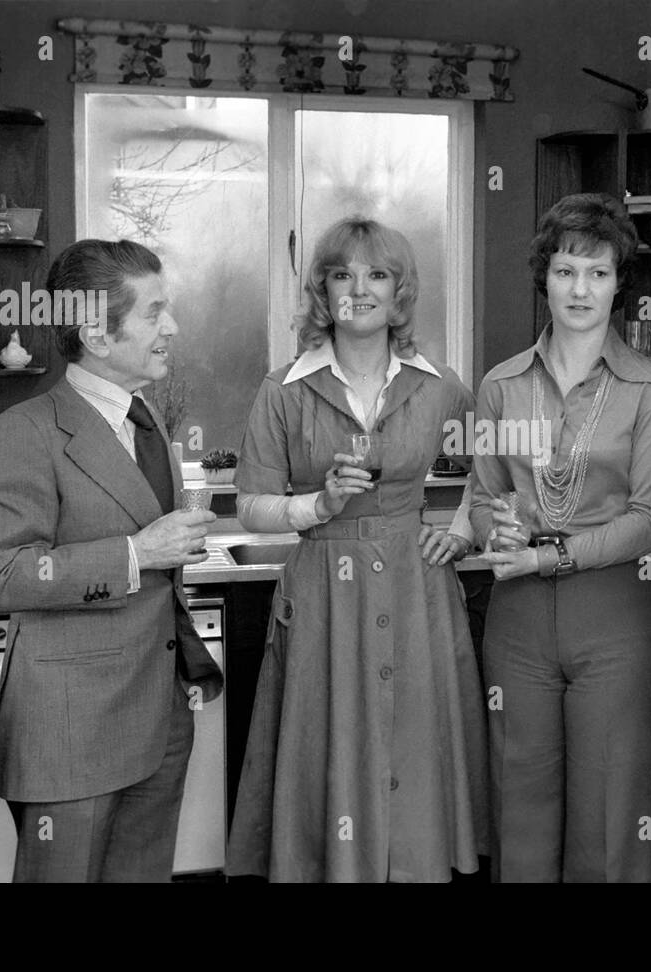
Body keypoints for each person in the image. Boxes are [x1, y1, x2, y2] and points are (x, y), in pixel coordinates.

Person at [226, 216, 486, 883]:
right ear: (323, 289)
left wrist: (462, 530)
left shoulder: (440, 386)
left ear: (400, 291)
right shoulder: (281, 389)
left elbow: (502, 471)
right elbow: (252, 503)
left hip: (415, 585)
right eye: (343, 273)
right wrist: (318, 505)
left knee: (412, 750)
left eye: (378, 274)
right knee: (329, 743)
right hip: (323, 594)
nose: (360, 289)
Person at [0, 239, 223, 882]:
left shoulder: (147, 421)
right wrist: (138, 554)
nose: (172, 328)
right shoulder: (25, 431)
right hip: (71, 732)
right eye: (154, 313)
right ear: (96, 334)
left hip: (158, 717)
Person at [471, 193, 651, 882]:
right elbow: (481, 494)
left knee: (610, 813)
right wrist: (496, 527)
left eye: (597, 272)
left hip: (617, 619)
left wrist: (551, 553)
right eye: (566, 271)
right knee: (518, 803)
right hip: (519, 622)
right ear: (545, 277)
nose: (581, 289)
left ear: (621, 281)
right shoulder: (500, 385)